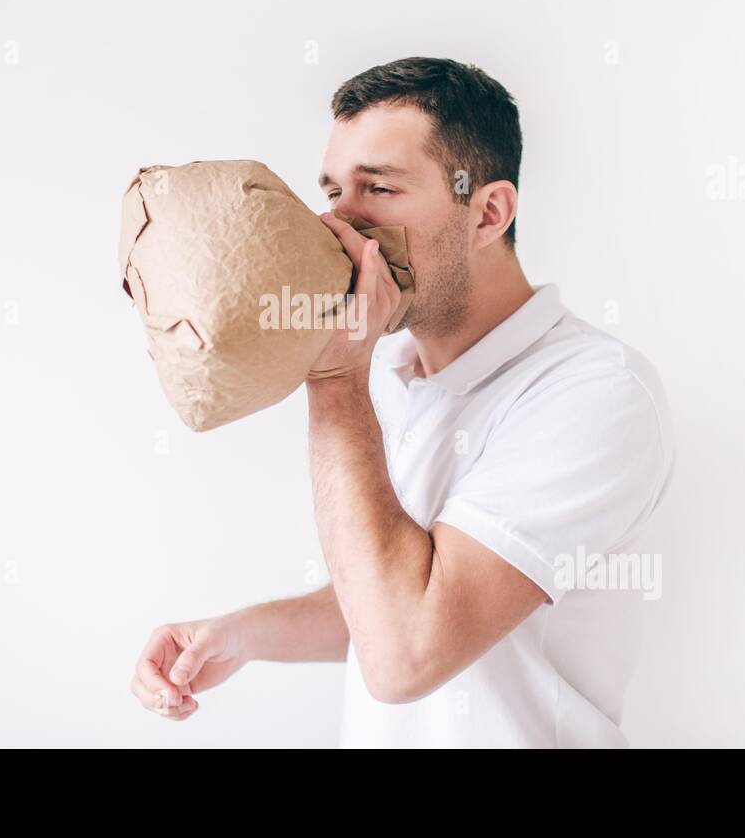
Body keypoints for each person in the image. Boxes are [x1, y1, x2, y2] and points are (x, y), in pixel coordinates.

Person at [128, 56, 675, 747]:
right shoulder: (389, 373)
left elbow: (405, 651)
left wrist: (333, 384)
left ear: (488, 212)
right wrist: (241, 634)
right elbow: (392, 591)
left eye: (378, 189)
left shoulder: (593, 393)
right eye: (333, 192)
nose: (341, 225)